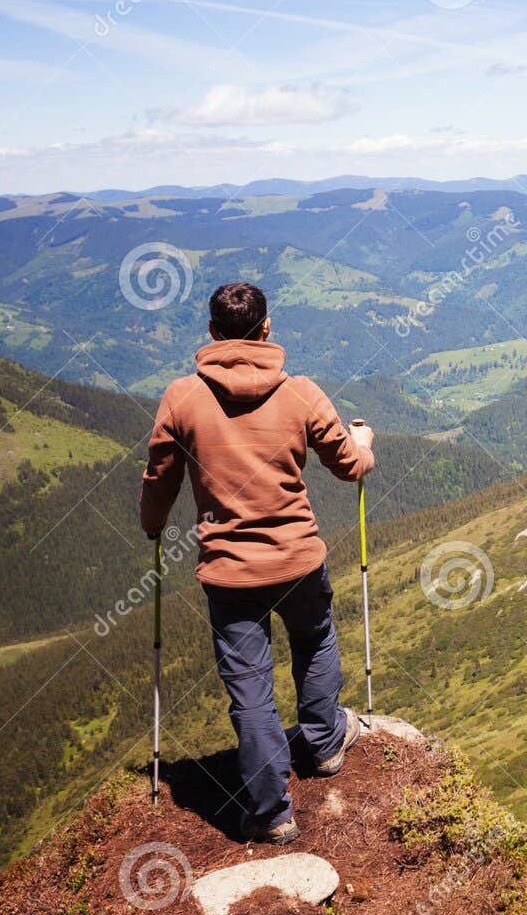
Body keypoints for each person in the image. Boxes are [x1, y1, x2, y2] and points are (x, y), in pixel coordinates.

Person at [139, 281, 375, 844]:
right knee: (315, 642)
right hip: (297, 559)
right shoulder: (301, 394)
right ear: (266, 329)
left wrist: (152, 525)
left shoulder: (182, 398)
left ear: (212, 332)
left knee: (249, 686)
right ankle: (322, 745)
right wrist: (363, 441)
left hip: (229, 571)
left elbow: (159, 479)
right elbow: (348, 465)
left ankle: (272, 813)